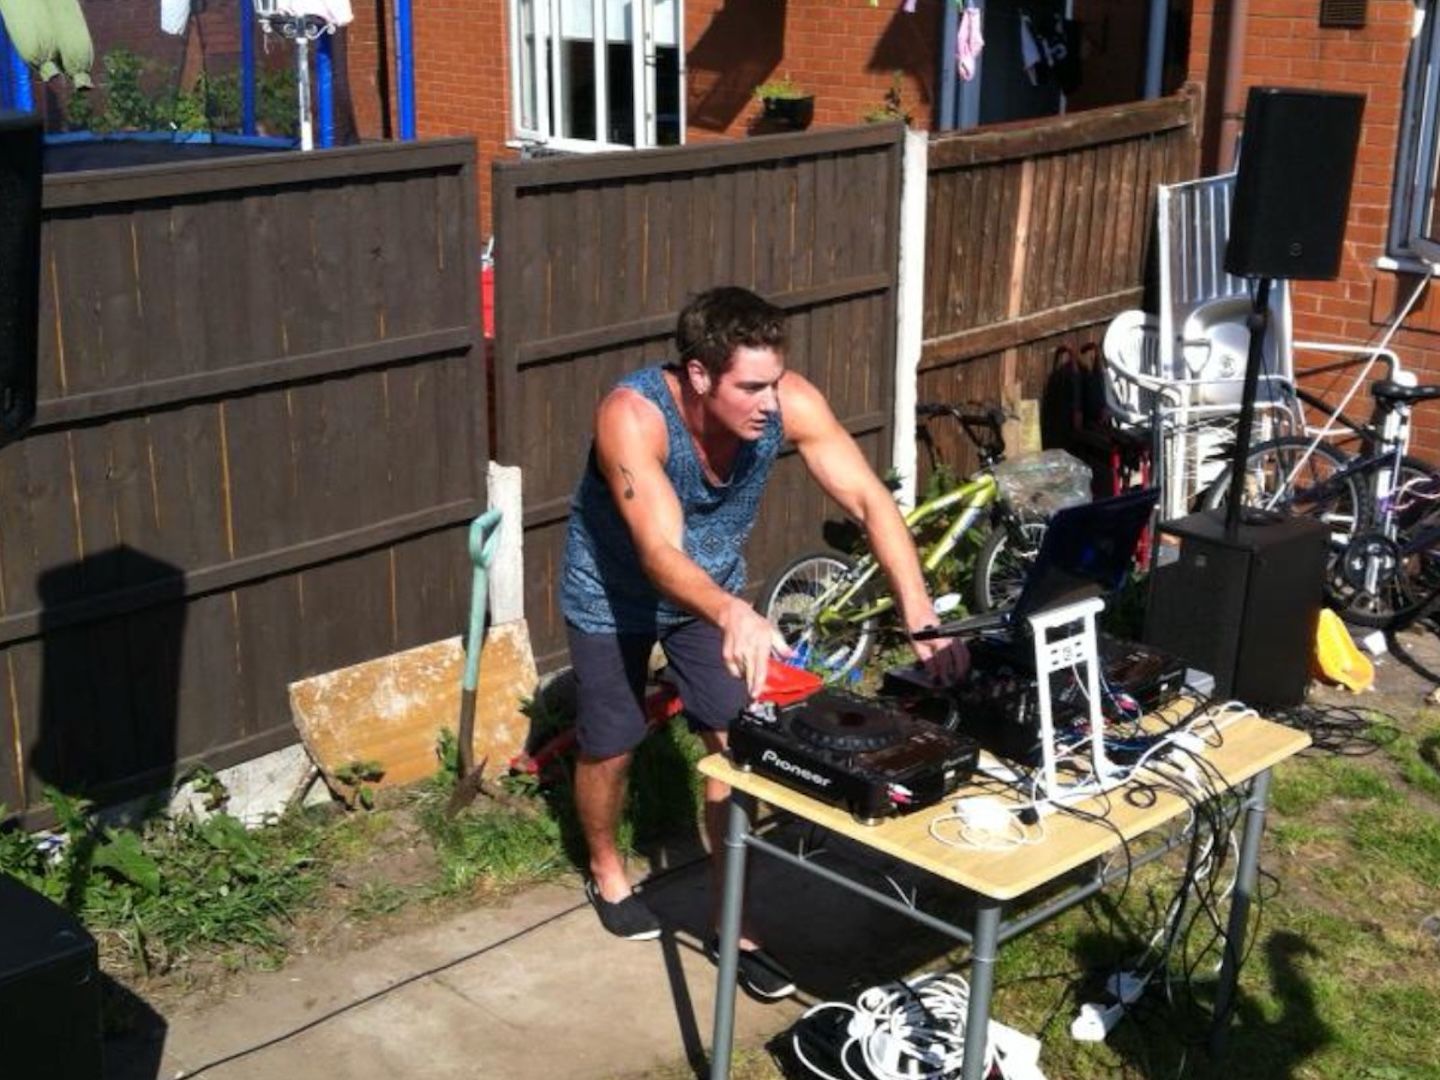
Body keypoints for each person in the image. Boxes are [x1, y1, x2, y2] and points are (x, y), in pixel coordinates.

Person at [560, 286, 968, 998]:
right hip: (613, 594)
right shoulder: (631, 417)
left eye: (774, 382)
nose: (769, 402)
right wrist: (733, 614)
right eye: (750, 387)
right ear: (698, 375)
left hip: (713, 595)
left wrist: (919, 613)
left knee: (741, 745)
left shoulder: (788, 403)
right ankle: (605, 868)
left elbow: (869, 499)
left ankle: (735, 922)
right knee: (613, 740)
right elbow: (658, 553)